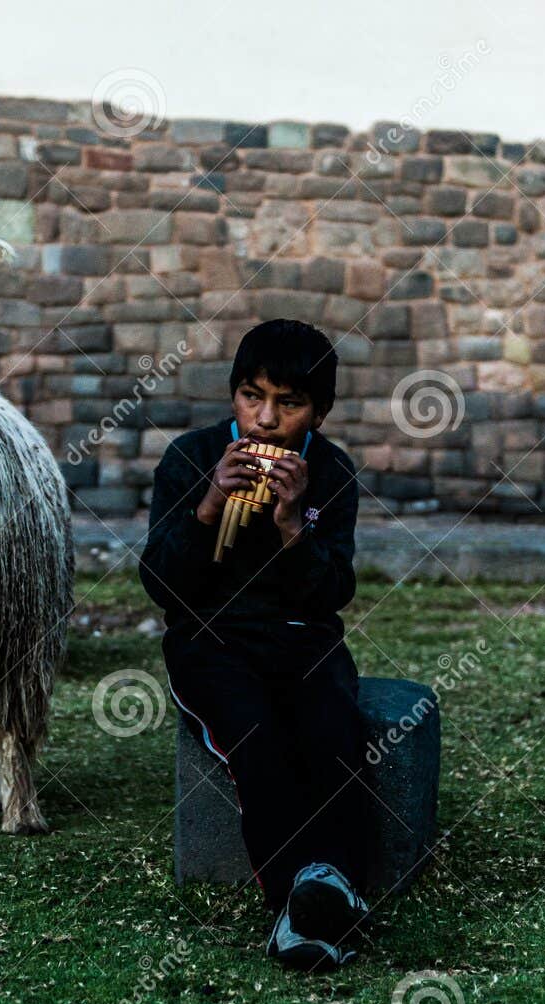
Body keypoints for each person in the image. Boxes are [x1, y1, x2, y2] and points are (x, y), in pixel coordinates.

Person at [138, 318, 371, 970]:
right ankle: (300, 898)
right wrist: (210, 504)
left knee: (333, 730)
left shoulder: (332, 471)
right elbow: (162, 584)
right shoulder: (190, 457)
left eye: (289, 403)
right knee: (256, 737)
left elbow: (332, 593)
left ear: (318, 413)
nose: (265, 420)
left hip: (302, 640)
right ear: (234, 395)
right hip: (211, 642)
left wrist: (294, 526)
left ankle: (328, 883)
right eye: (251, 396)